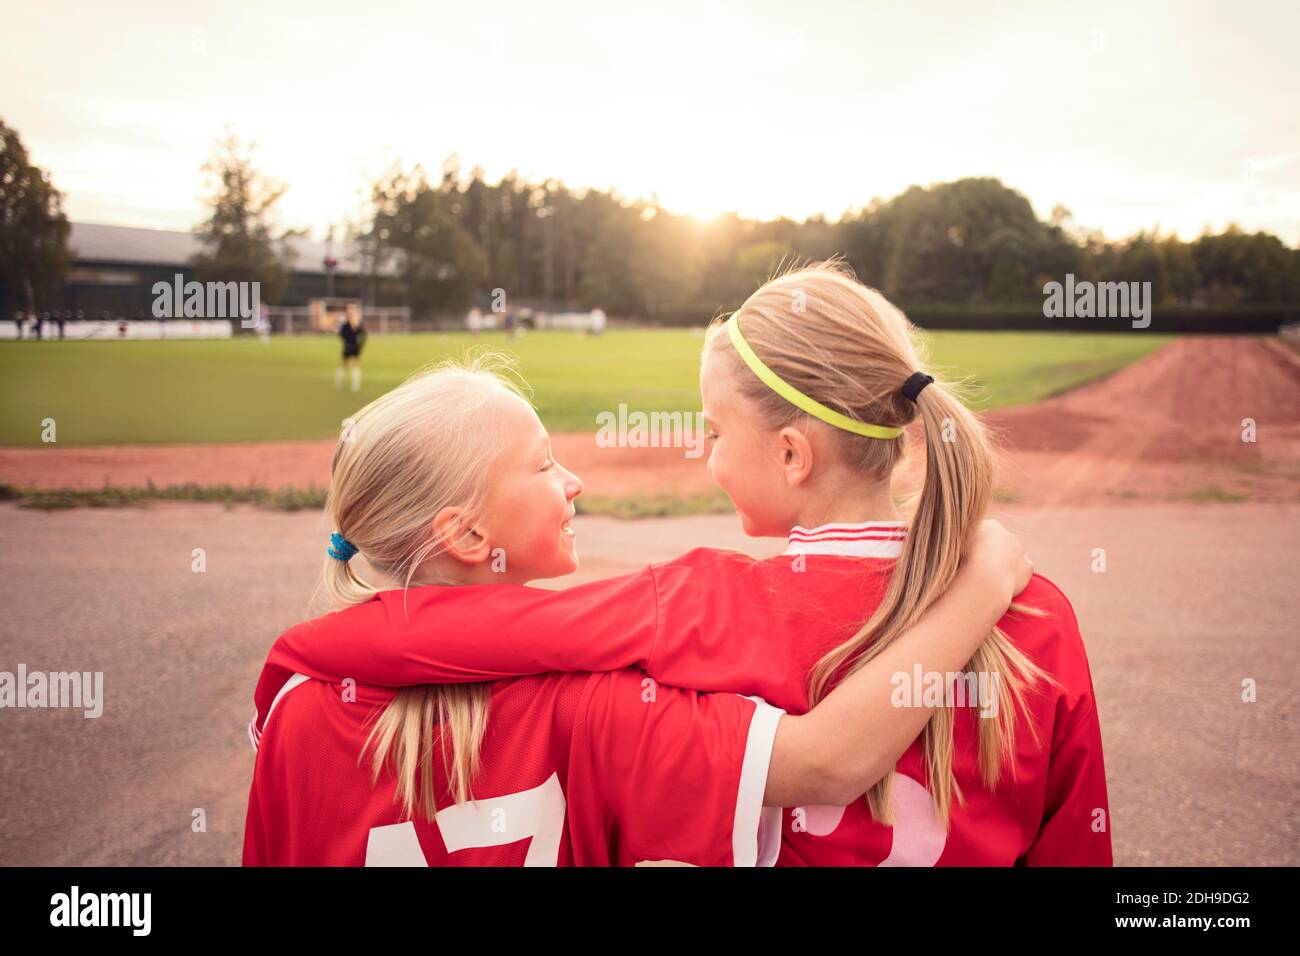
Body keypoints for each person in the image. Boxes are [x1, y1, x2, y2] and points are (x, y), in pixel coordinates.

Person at [267, 260, 1111, 866]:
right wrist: (986, 583)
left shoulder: (706, 606)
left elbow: (496, 631)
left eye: (712, 432)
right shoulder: (1041, 616)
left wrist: (305, 656)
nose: (705, 455)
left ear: (791, 454)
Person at [335, 305, 366, 391]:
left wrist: (360, 345)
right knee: (347, 365)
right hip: (352, 347)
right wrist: (360, 345)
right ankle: (344, 384)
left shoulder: (353, 324)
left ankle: (352, 385)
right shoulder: (348, 324)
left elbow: (363, 335)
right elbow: (363, 335)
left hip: (351, 347)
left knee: (349, 365)